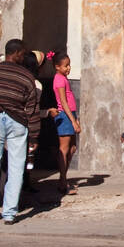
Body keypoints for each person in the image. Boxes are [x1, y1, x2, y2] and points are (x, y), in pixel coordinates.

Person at [0, 39, 40, 226]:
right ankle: (9, 214)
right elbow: (32, 109)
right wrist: (34, 135)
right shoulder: (27, 77)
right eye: (23, 53)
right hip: (19, 124)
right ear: (17, 53)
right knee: (16, 168)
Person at [51, 50, 81, 195]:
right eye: (65, 66)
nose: (68, 68)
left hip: (70, 114)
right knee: (64, 148)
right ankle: (63, 180)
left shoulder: (63, 78)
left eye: (69, 65)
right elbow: (63, 101)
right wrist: (73, 120)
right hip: (64, 115)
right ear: (57, 67)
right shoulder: (58, 79)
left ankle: (63, 178)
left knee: (72, 148)